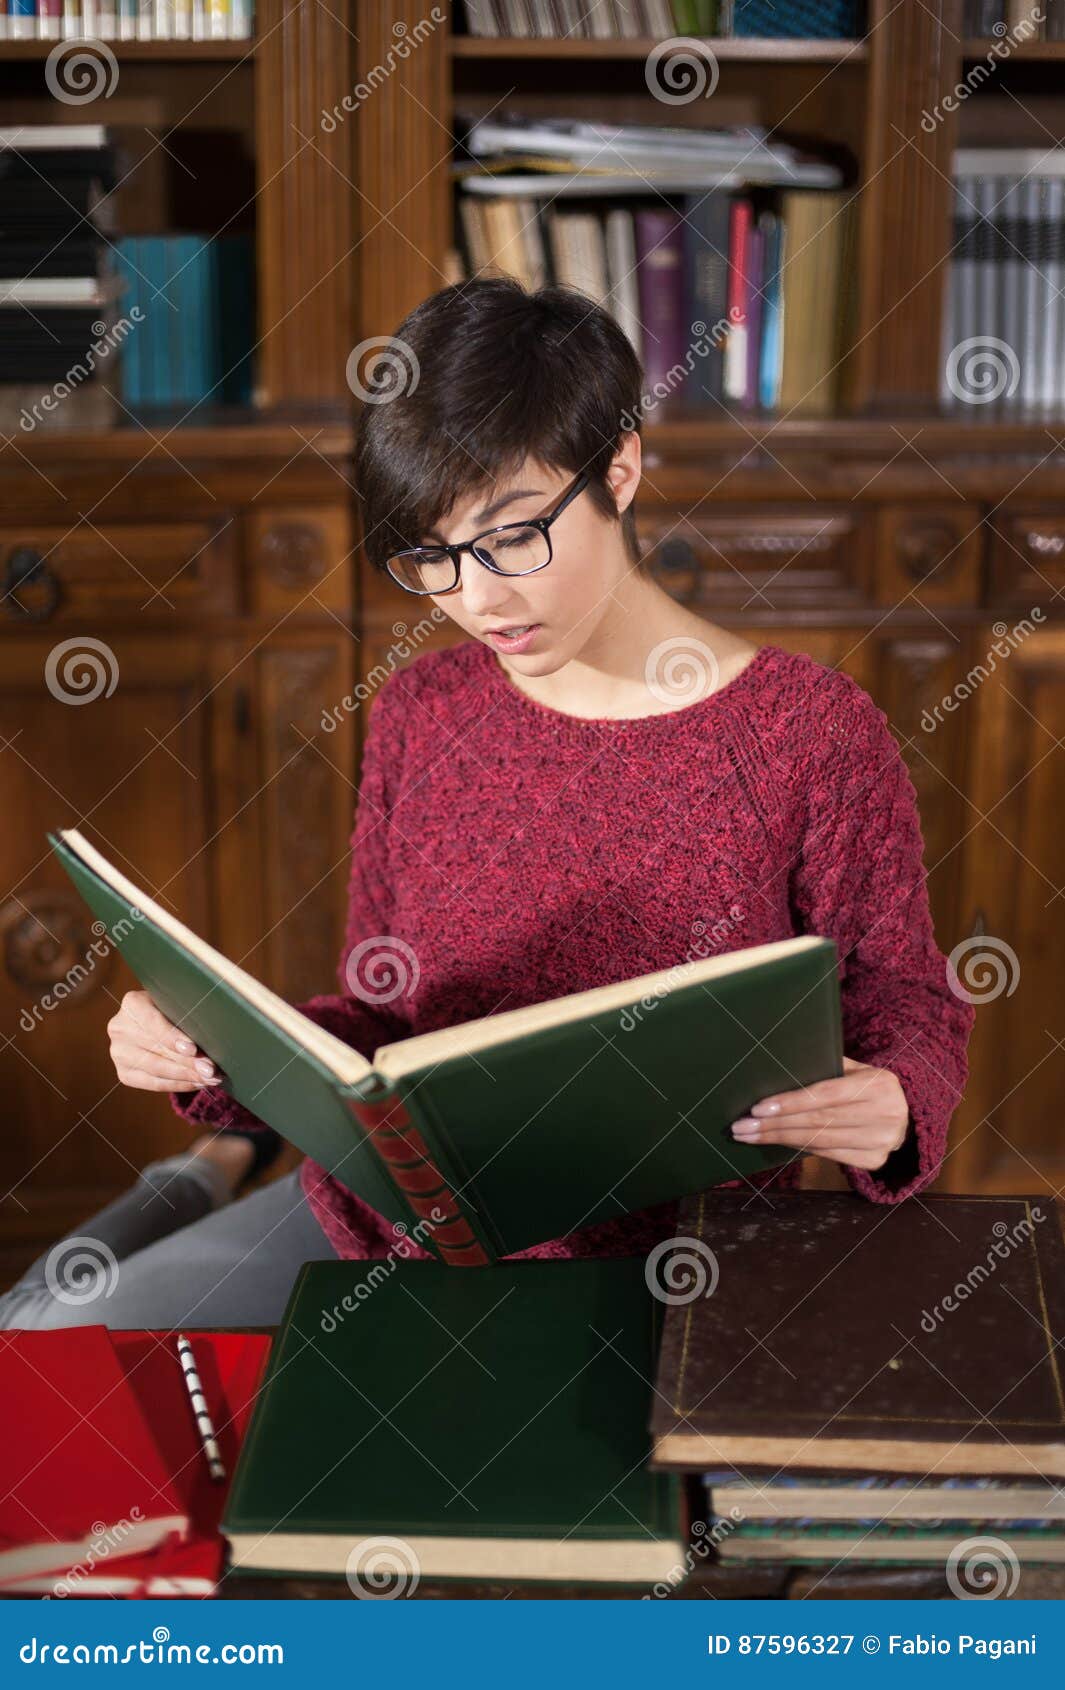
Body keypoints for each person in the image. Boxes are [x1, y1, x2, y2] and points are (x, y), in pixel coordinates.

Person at [0, 278, 975, 1330]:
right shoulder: (422, 709)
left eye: (512, 537)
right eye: (431, 554)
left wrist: (896, 1101)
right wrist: (209, 1049)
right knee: (50, 1335)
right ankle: (215, 1170)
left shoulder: (807, 732)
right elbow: (380, 1017)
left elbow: (906, 1006)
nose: (477, 598)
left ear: (619, 470)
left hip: (667, 1270)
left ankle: (215, 1182)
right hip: (389, 1228)